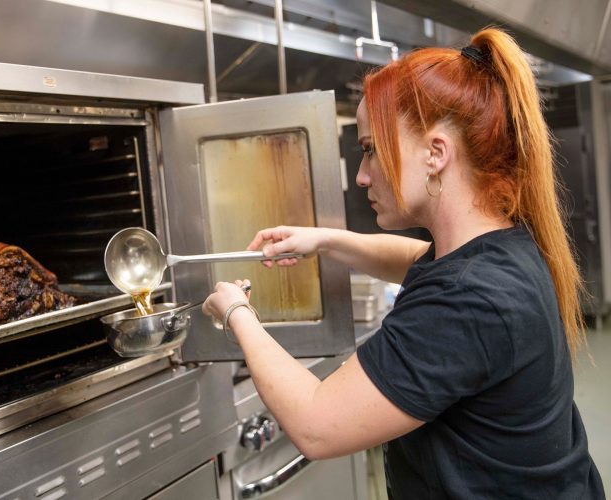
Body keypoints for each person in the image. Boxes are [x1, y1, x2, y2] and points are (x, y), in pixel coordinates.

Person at [202, 27, 605, 499]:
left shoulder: (467, 298)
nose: (361, 174)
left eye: (371, 148)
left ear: (436, 154)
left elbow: (316, 424)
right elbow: (416, 258)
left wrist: (237, 312)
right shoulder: (498, 248)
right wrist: (327, 240)